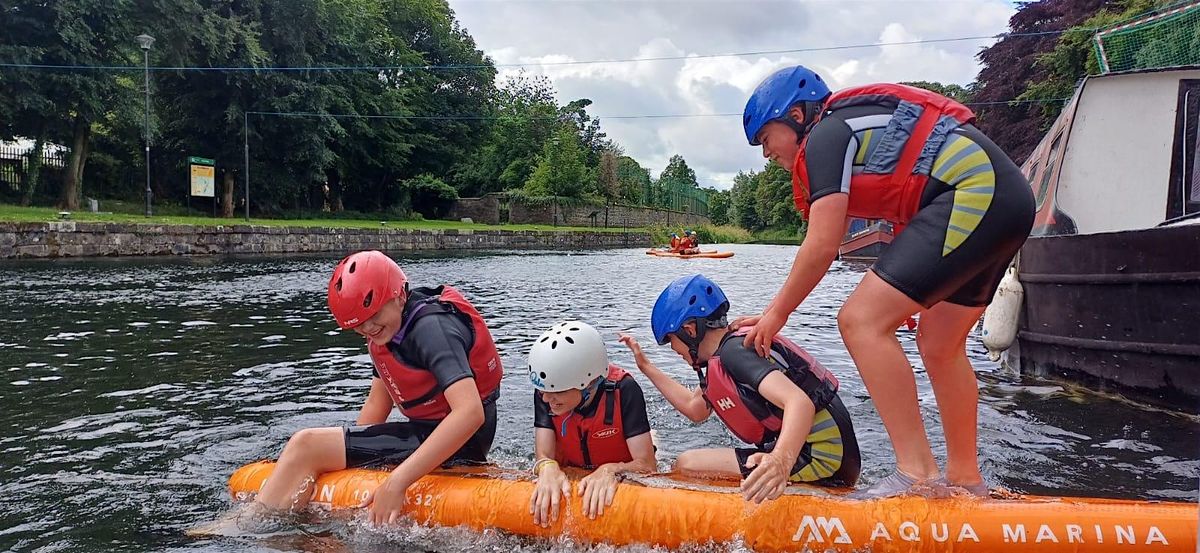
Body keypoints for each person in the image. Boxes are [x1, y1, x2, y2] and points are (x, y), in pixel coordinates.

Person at [736, 65, 1035, 498]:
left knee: (860, 321)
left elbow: (822, 243)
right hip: (1007, 201)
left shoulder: (824, 135)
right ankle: (968, 482)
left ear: (797, 117)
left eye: (766, 139)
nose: (766, 154)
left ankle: (916, 473)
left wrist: (774, 315)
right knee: (939, 344)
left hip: (974, 193)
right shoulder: (838, 131)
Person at [239, 250, 503, 527]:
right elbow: (378, 404)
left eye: (373, 315)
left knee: (306, 446)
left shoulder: (431, 328)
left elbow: (471, 413)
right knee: (314, 448)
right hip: (432, 432)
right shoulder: (389, 330)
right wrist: (351, 463)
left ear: (400, 295)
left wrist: (397, 482)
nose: (368, 328)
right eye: (359, 324)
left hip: (463, 441)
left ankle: (246, 527)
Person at [619, 274, 860, 504]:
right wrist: (646, 367)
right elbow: (696, 409)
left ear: (689, 330)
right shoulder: (725, 355)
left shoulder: (734, 354)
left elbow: (799, 402)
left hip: (823, 458)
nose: (674, 350)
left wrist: (779, 462)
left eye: (672, 341)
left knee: (687, 464)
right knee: (689, 462)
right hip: (835, 456)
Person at [527, 321, 656, 526]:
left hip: (621, 463)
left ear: (587, 383)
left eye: (558, 391)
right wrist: (547, 467)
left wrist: (610, 470)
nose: (545, 400)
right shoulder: (546, 391)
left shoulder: (625, 390)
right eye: (544, 392)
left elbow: (647, 465)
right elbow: (544, 454)